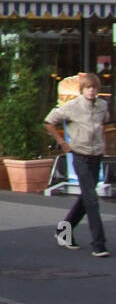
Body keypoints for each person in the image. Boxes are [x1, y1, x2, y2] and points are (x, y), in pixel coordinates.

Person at [44, 72, 110, 258]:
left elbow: (103, 122)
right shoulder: (72, 106)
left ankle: (63, 229)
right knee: (91, 200)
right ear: (82, 90)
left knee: (86, 197)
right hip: (79, 155)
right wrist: (63, 142)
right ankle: (99, 244)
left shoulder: (102, 106)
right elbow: (49, 121)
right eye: (88, 88)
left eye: (94, 88)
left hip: (96, 155)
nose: (91, 91)